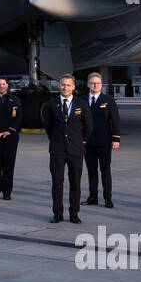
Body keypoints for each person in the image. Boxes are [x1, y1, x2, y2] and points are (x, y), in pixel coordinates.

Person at [40, 74, 92, 224]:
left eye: (68, 85)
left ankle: (74, 214)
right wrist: (56, 141)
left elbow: (89, 127)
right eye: (63, 85)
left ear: (74, 87)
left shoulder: (81, 105)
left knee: (75, 182)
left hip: (76, 150)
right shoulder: (51, 104)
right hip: (57, 150)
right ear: (59, 86)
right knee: (57, 182)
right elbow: (48, 127)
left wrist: (81, 141)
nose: (65, 87)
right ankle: (58, 213)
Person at [83, 72, 121, 208]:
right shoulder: (81, 100)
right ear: (88, 84)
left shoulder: (108, 100)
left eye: (98, 83)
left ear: (101, 84)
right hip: (87, 143)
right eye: (92, 83)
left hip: (104, 142)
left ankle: (107, 198)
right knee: (91, 171)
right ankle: (93, 197)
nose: (95, 85)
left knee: (105, 171)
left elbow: (115, 120)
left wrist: (116, 138)